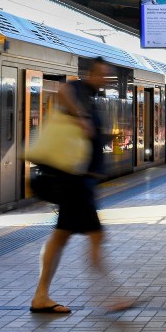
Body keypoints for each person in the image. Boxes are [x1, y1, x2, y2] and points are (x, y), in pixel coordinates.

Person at [30, 57, 134, 315]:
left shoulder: (92, 98)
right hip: (74, 181)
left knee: (61, 237)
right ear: (90, 74)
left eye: (107, 75)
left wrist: (105, 136)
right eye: (102, 75)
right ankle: (109, 296)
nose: (104, 80)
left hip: (78, 181)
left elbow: (87, 135)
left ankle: (41, 295)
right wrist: (82, 117)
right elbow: (64, 92)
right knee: (94, 236)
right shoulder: (79, 89)